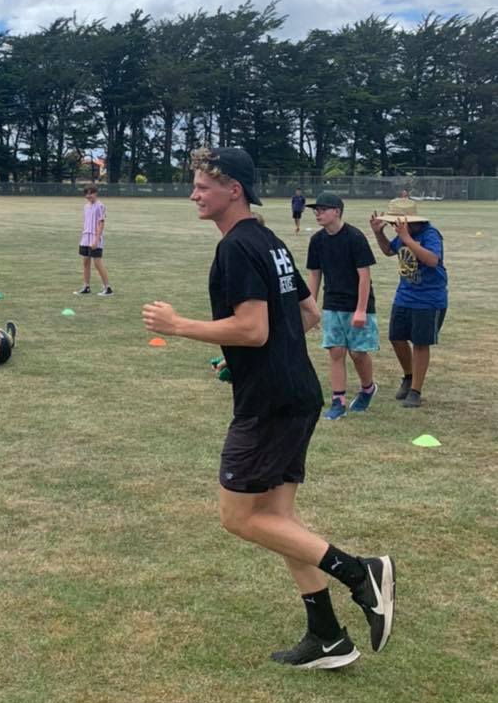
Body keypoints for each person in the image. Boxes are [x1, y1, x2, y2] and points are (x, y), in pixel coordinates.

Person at [142, 146, 396, 671]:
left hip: (271, 404)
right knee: (279, 519)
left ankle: (359, 572)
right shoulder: (270, 241)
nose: (193, 195)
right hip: (296, 393)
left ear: (233, 189)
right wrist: (241, 357)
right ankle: (327, 637)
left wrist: (179, 326)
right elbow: (306, 312)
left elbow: (254, 328)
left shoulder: (236, 247)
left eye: (202, 186)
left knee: (238, 517)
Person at [305, 192, 379, 419]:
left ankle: (368, 388)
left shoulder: (355, 237)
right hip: (332, 304)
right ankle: (338, 401)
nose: (318, 214)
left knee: (357, 353)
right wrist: (311, 308)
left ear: (336, 211)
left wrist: (361, 310)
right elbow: (314, 275)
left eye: (322, 209)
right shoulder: (317, 240)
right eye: (316, 210)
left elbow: (364, 276)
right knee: (336, 351)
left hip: (357, 304)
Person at [369, 205, 448, 408]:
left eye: (396, 221)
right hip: (405, 295)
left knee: (420, 343)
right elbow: (389, 250)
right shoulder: (403, 234)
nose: (393, 225)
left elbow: (432, 260)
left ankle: (415, 391)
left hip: (429, 298)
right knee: (396, 337)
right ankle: (409, 376)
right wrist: (379, 233)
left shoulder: (430, 234)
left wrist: (407, 238)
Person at [75, 185, 113, 296]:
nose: (88, 196)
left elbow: (101, 223)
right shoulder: (86, 206)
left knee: (97, 263)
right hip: (85, 237)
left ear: (95, 193)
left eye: (90, 193)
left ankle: (107, 288)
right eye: (86, 194)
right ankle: (86, 287)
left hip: (95, 237)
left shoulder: (100, 206)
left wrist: (96, 240)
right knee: (85, 262)